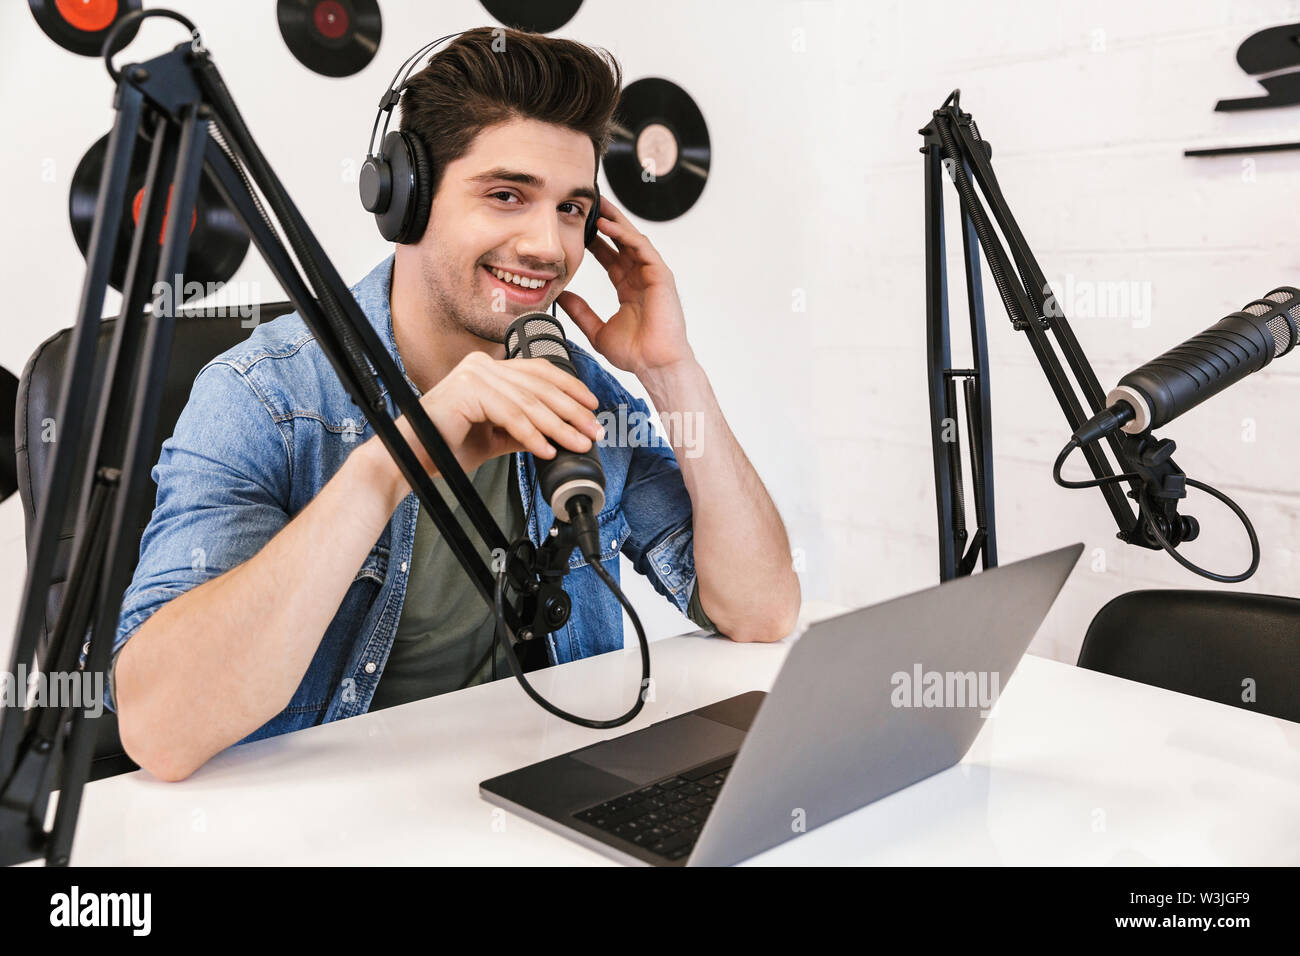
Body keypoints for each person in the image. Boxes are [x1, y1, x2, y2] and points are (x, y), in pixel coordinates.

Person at [108, 27, 799, 781]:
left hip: (540, 794)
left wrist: (672, 371)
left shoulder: (578, 392)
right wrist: (390, 466)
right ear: (405, 197)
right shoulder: (263, 397)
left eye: (572, 209)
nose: (548, 245)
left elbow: (758, 610)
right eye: (506, 195)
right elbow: (159, 728)